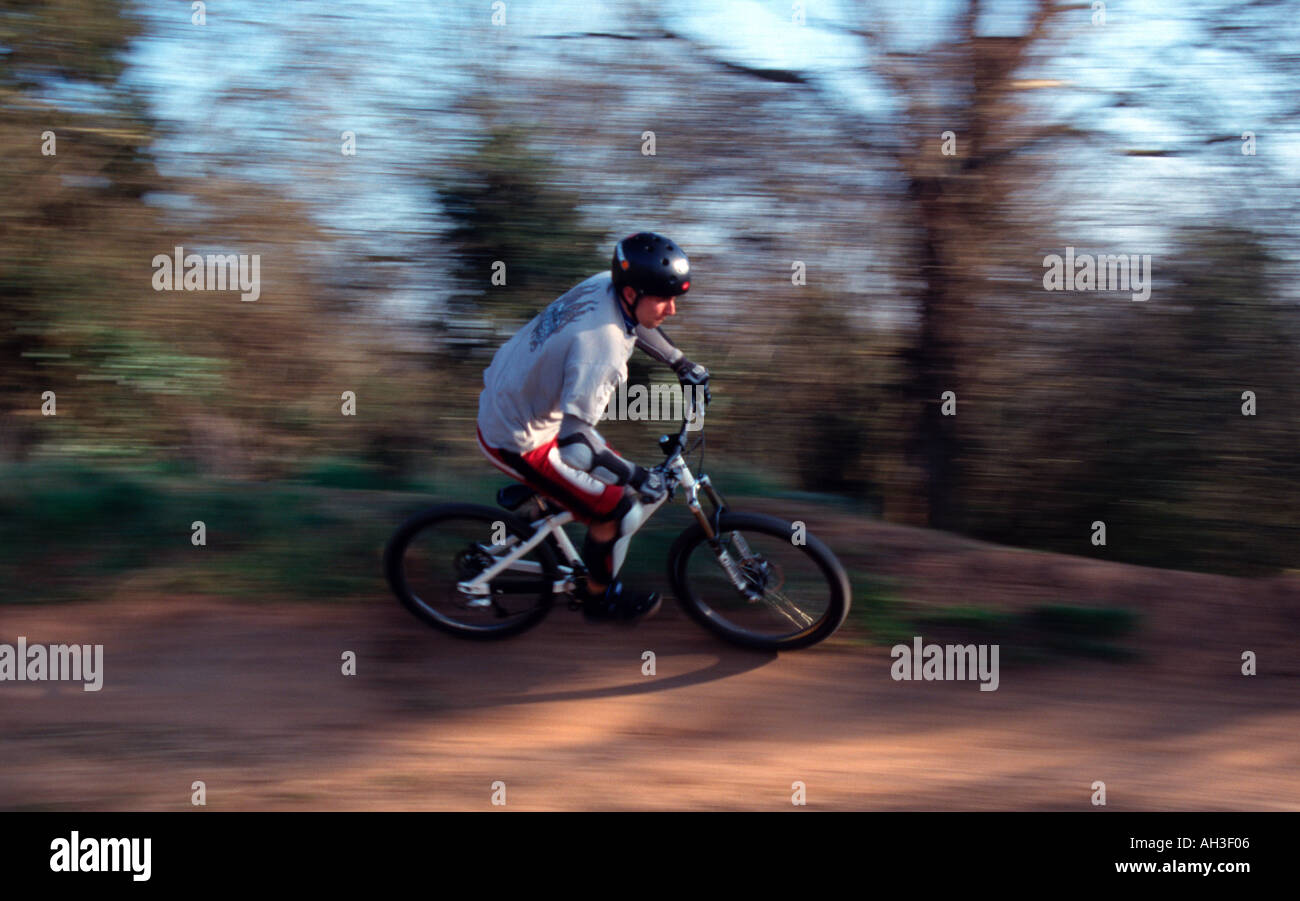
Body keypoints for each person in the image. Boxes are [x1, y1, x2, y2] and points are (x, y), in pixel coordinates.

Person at [476, 232, 711, 623]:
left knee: (605, 478)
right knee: (618, 510)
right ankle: (599, 600)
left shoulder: (605, 284)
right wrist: (640, 477)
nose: (672, 310)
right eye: (664, 299)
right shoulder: (602, 351)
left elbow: (637, 322)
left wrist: (680, 362)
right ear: (633, 292)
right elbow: (577, 443)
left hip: (513, 394)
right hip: (517, 438)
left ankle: (548, 502)